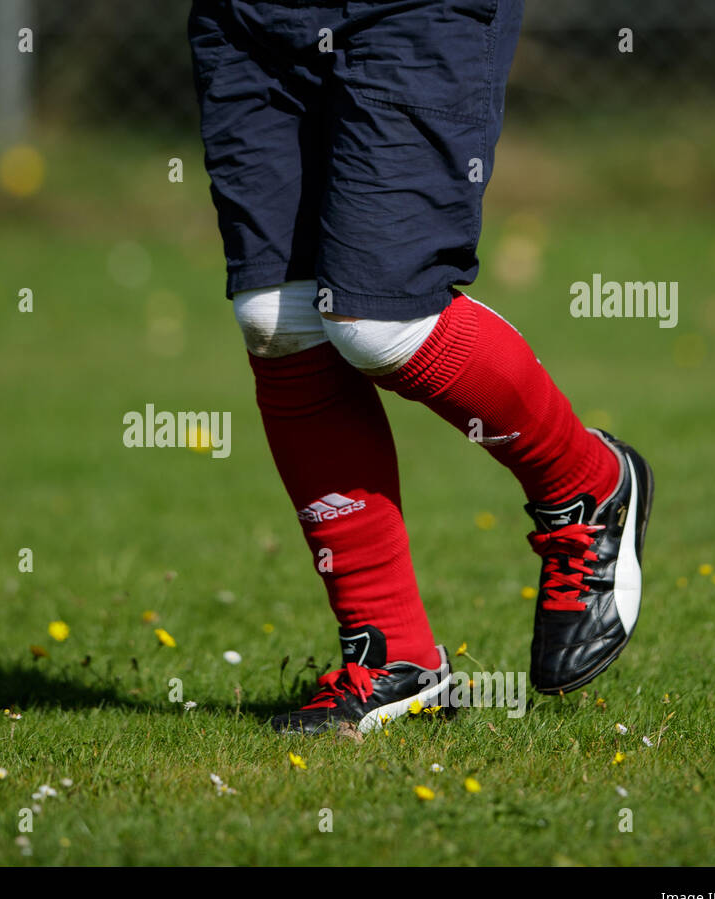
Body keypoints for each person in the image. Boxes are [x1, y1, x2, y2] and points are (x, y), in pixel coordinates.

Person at [188, 0, 654, 733]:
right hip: (247, 16)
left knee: (379, 321)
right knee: (278, 321)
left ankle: (587, 487)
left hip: (408, 9)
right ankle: (391, 657)